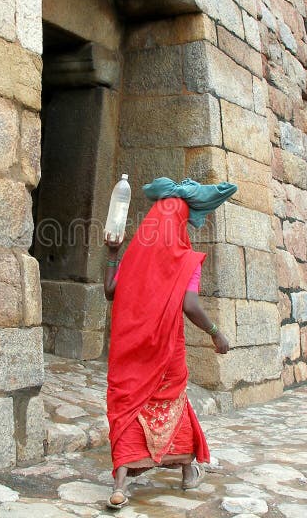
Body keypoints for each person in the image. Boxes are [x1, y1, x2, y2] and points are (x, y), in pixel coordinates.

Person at [102, 178, 235, 510]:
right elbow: (190, 306)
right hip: (166, 349)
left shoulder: (134, 253)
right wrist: (216, 332)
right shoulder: (186, 259)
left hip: (130, 350)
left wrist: (113, 254)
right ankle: (188, 470)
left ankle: (121, 483)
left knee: (129, 406)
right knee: (172, 402)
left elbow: (110, 292)